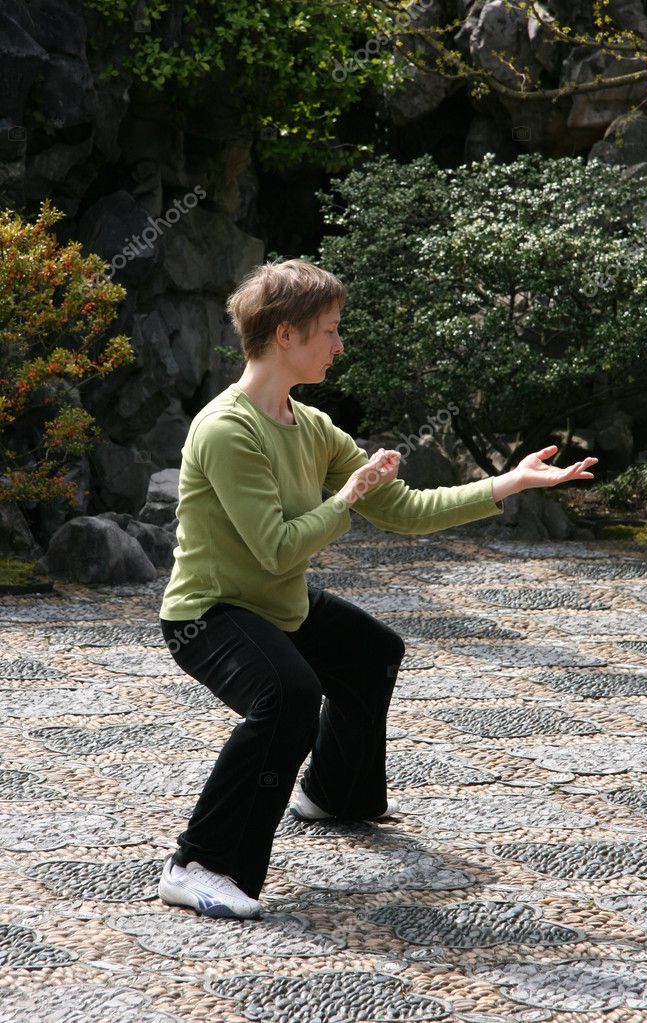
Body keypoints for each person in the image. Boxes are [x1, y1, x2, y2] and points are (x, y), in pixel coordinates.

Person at [156, 258, 598, 920]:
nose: (339, 345)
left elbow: (406, 510)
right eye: (330, 331)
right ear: (285, 334)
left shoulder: (311, 426)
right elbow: (276, 547)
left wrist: (510, 482)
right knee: (288, 695)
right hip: (210, 614)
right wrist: (347, 496)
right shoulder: (227, 430)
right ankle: (199, 863)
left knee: (371, 652)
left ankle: (335, 793)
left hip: (278, 604)